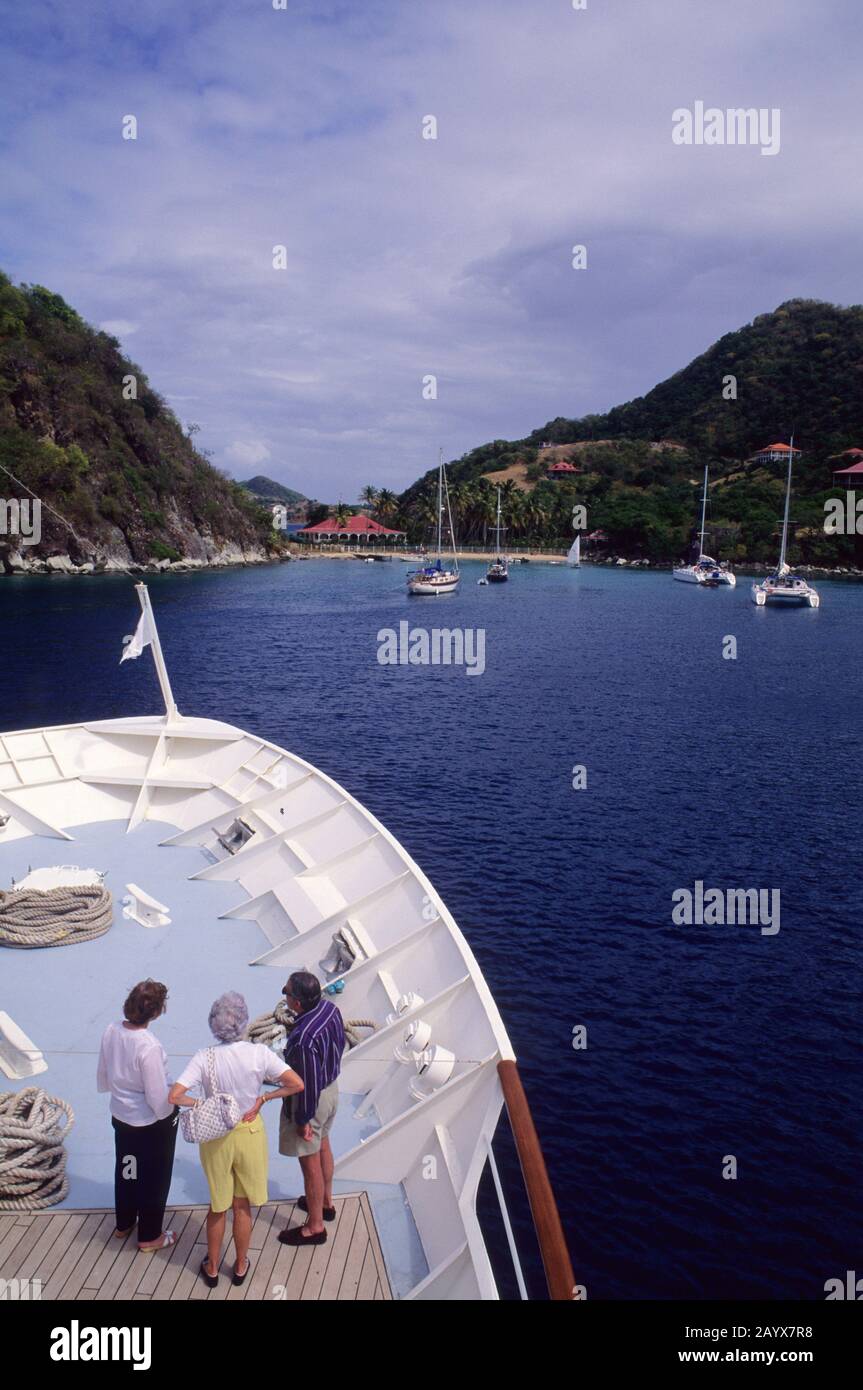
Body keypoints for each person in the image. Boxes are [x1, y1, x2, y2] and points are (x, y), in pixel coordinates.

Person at [169, 991, 303, 1288]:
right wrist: (263, 1098)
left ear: (214, 1025)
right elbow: (296, 1083)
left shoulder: (204, 1057)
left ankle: (213, 1267)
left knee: (218, 1206)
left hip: (216, 1138)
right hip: (250, 1132)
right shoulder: (259, 1054)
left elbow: (175, 1095)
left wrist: (203, 1106)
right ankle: (241, 1265)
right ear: (243, 1022)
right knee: (243, 1207)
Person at [96, 979, 178, 1251]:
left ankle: (125, 1222)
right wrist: (171, 1113)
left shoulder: (111, 1030)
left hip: (121, 1118)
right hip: (148, 1125)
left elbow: (105, 1073)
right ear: (156, 1012)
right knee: (154, 1177)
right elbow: (157, 1096)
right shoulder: (149, 1047)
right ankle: (150, 1235)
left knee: (128, 1169)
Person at [277, 971, 345, 1246]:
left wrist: (303, 1120)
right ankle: (326, 1202)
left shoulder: (303, 1039)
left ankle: (315, 1227)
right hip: (332, 1092)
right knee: (324, 1146)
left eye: (287, 993)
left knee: (310, 1165)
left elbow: (308, 1085)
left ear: (296, 1003)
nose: (285, 996)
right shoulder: (330, 1009)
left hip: (312, 1104)